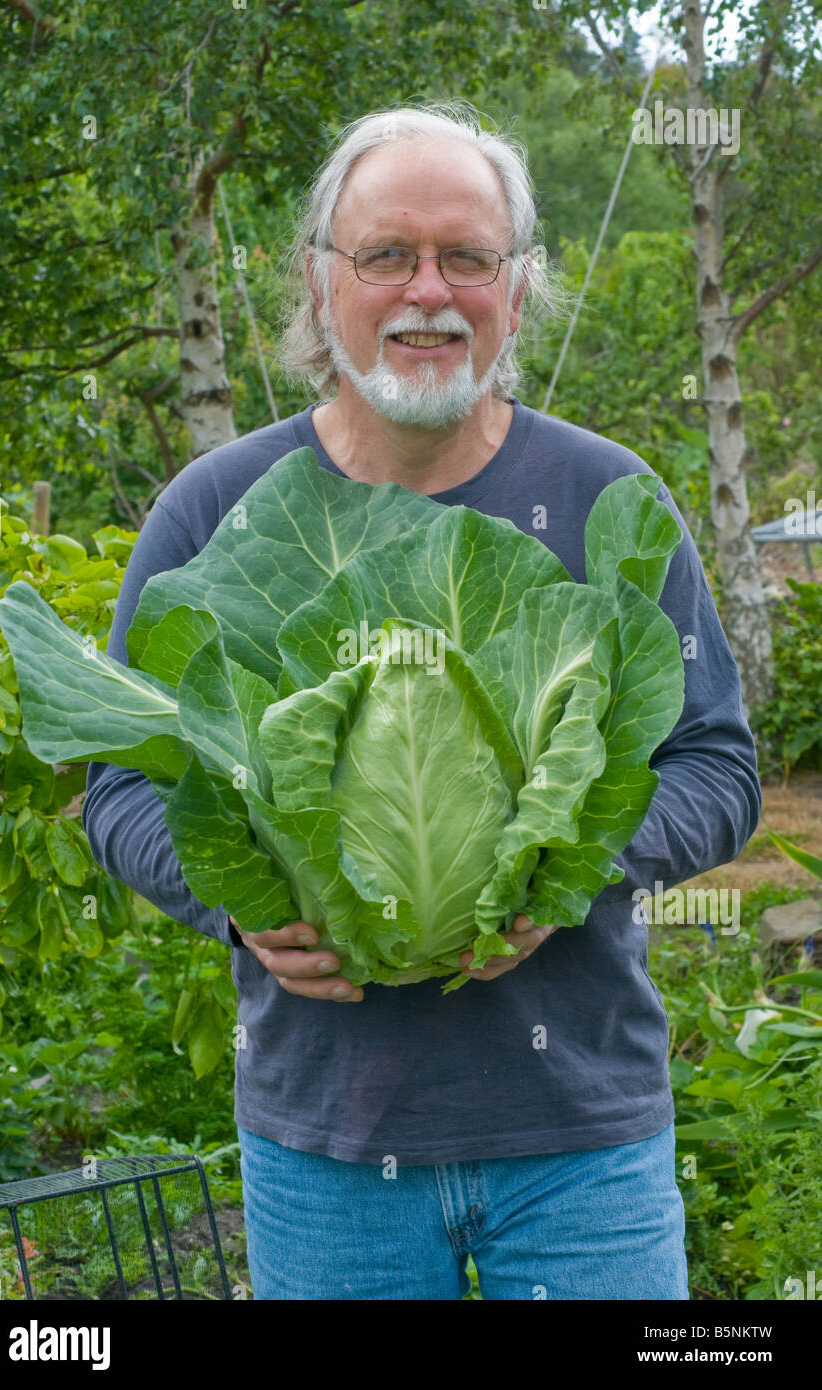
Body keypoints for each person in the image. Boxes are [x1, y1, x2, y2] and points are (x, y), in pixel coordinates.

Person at [82, 103, 761, 1300]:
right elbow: (123, 777)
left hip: (581, 1137)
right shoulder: (214, 507)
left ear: (518, 283)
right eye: (386, 254)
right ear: (318, 278)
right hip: (326, 1146)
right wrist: (240, 907)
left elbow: (715, 763)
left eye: (468, 257)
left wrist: (572, 869)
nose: (427, 293)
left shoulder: (603, 493)